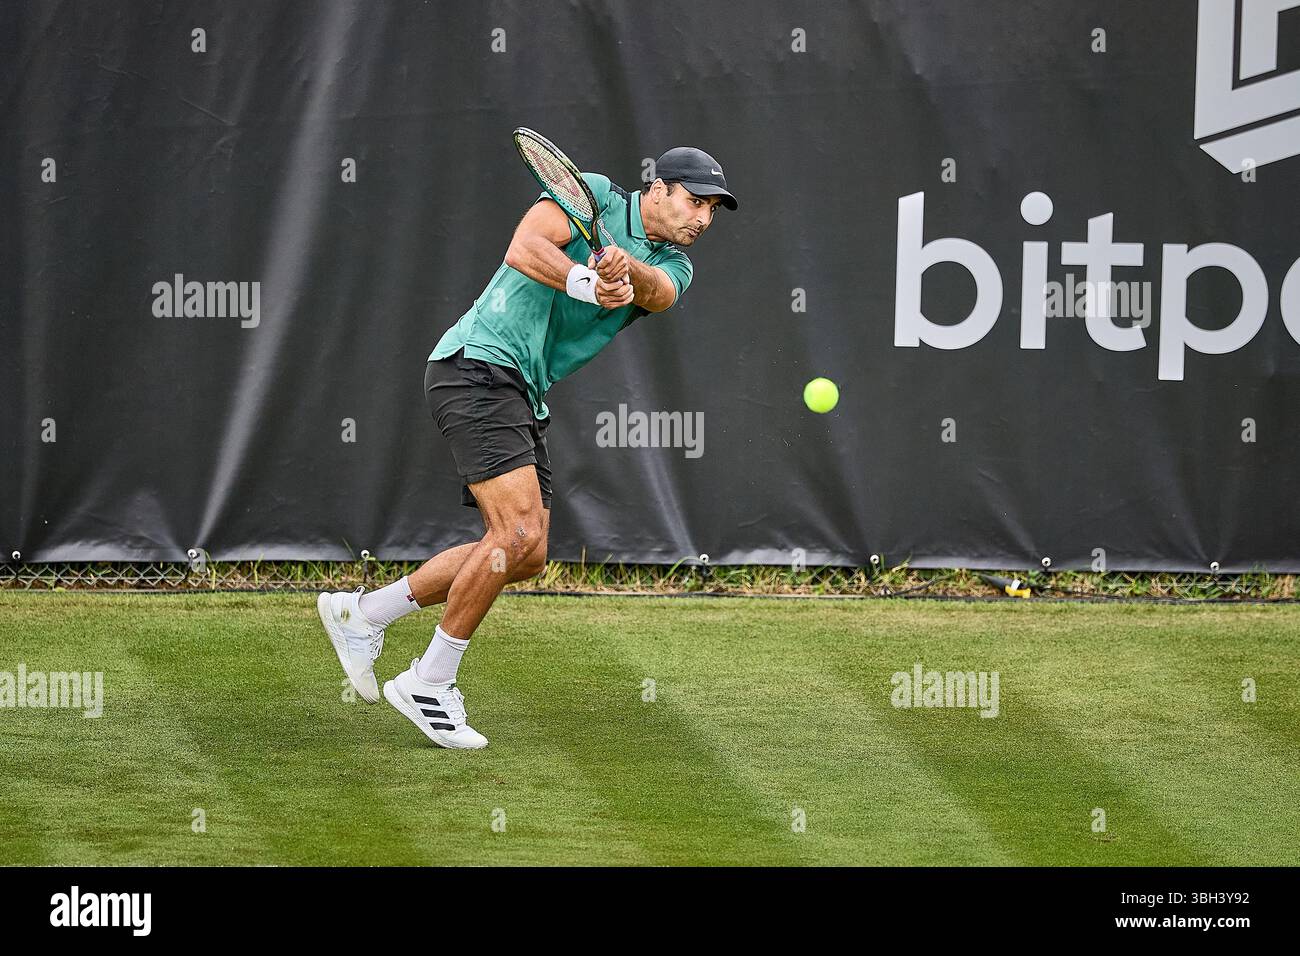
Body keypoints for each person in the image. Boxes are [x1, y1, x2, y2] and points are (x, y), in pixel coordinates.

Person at [318, 146, 737, 748]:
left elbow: (659, 290)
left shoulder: (676, 264)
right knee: (513, 533)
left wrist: (626, 271)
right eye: (694, 201)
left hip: (522, 388)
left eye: (712, 210)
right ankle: (429, 682)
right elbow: (524, 247)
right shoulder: (595, 194)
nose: (702, 218)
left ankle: (363, 615)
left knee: (526, 554)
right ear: (658, 188)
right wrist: (586, 279)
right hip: (478, 364)